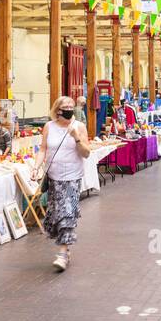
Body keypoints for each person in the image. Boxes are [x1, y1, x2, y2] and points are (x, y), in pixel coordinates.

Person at [33, 96, 92, 272]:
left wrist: (76, 138)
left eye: (71, 106)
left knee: (67, 213)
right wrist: (36, 167)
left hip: (72, 178)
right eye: (64, 106)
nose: (68, 109)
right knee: (56, 215)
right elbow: (43, 149)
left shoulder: (79, 127)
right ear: (57, 110)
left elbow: (86, 153)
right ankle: (65, 248)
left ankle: (63, 253)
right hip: (54, 177)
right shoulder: (49, 127)